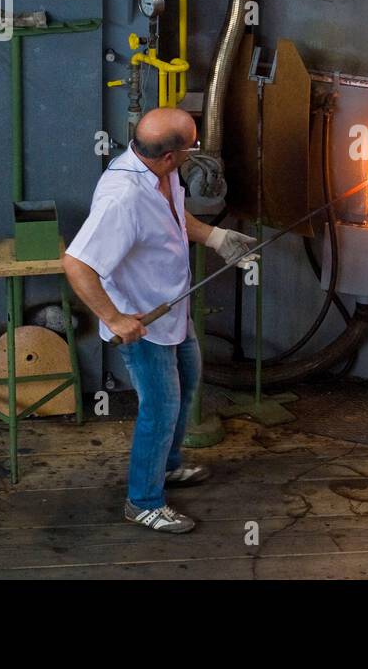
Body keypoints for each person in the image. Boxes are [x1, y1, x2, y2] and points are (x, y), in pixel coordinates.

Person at [62, 107, 255, 533]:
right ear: (170, 155)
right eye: (192, 146)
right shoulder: (123, 197)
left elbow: (171, 219)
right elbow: (76, 263)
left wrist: (216, 237)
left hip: (173, 311)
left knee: (187, 385)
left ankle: (164, 468)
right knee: (160, 409)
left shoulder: (161, 175)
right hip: (143, 322)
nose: (195, 152)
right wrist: (114, 318)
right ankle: (143, 501)